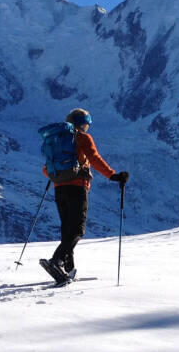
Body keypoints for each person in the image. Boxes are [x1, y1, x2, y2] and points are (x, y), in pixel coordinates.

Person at [42, 108, 128, 283]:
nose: (87, 128)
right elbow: (94, 157)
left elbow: (46, 168)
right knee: (78, 229)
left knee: (67, 228)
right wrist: (113, 175)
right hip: (77, 187)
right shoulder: (81, 137)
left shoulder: (56, 139)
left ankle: (69, 269)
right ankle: (57, 260)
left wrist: (60, 176)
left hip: (59, 188)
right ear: (82, 123)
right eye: (87, 125)